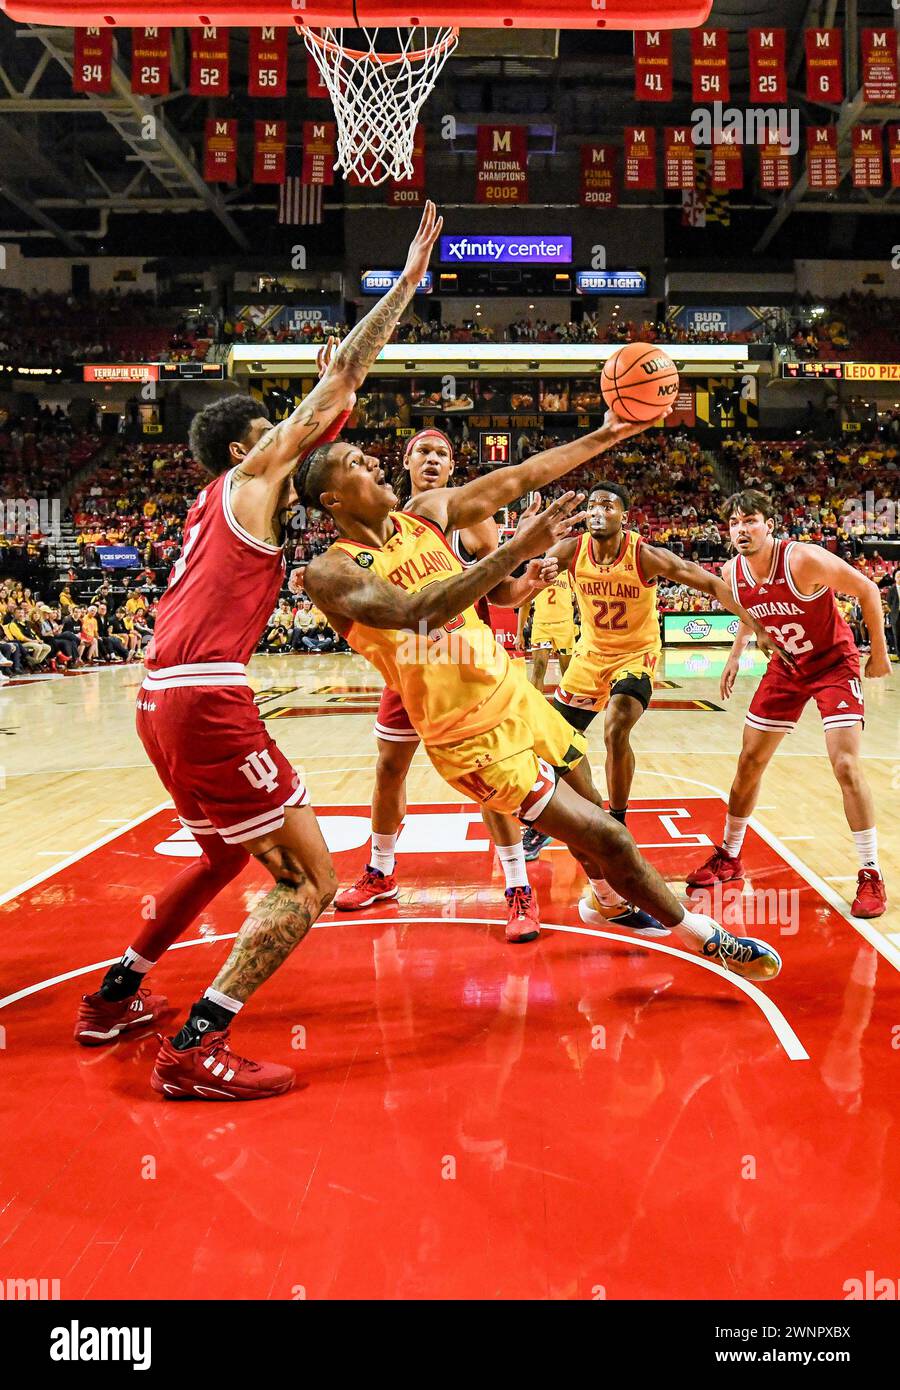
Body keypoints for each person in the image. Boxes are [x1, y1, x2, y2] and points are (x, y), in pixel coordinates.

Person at [73, 202, 445, 1103]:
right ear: (248, 445)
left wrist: (336, 397)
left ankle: (115, 993)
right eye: (279, 425)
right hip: (205, 699)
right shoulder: (254, 472)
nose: (296, 430)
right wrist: (402, 285)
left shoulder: (216, 505)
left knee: (218, 856)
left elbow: (335, 399)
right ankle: (198, 1045)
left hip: (156, 700)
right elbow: (351, 366)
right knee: (312, 877)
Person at [299, 438, 783, 986]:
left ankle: (605, 899)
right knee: (610, 836)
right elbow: (420, 612)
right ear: (333, 499)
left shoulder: (424, 516)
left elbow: (522, 476)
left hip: (514, 695)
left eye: (369, 457)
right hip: (471, 737)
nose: (376, 466)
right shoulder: (329, 572)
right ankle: (704, 937)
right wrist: (517, 547)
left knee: (593, 807)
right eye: (357, 466)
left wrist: (612, 429)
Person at [333, 426, 568, 943]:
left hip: (465, 667)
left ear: (453, 466)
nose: (433, 460)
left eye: (442, 453)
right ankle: (380, 869)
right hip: (412, 666)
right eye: (424, 452)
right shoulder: (383, 527)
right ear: (407, 461)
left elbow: (501, 593)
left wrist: (525, 583)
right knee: (389, 768)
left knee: (493, 778)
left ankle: (516, 886)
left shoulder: (473, 520)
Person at [521, 482, 788, 931]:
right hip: (589, 656)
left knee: (616, 724)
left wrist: (753, 624)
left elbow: (708, 581)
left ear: (623, 516)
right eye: (592, 505)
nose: (597, 511)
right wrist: (530, 567)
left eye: (608, 505)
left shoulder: (645, 555)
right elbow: (524, 573)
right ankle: (557, 817)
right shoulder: (571, 551)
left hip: (634, 654)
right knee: (553, 745)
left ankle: (617, 819)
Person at [687, 489, 891, 919]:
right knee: (749, 761)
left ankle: (870, 871)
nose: (741, 530)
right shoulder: (731, 571)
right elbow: (747, 612)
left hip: (833, 664)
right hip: (787, 667)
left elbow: (869, 590)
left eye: (750, 521)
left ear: (770, 525)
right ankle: (729, 854)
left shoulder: (802, 559)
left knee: (845, 766)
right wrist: (737, 651)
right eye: (734, 523)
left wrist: (878, 654)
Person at [518, 567, 576, 696]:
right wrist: (519, 634)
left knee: (568, 673)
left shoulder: (569, 573)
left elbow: (581, 599)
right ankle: (536, 708)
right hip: (541, 626)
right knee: (538, 668)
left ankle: (567, 712)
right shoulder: (537, 573)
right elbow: (525, 603)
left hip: (564, 627)